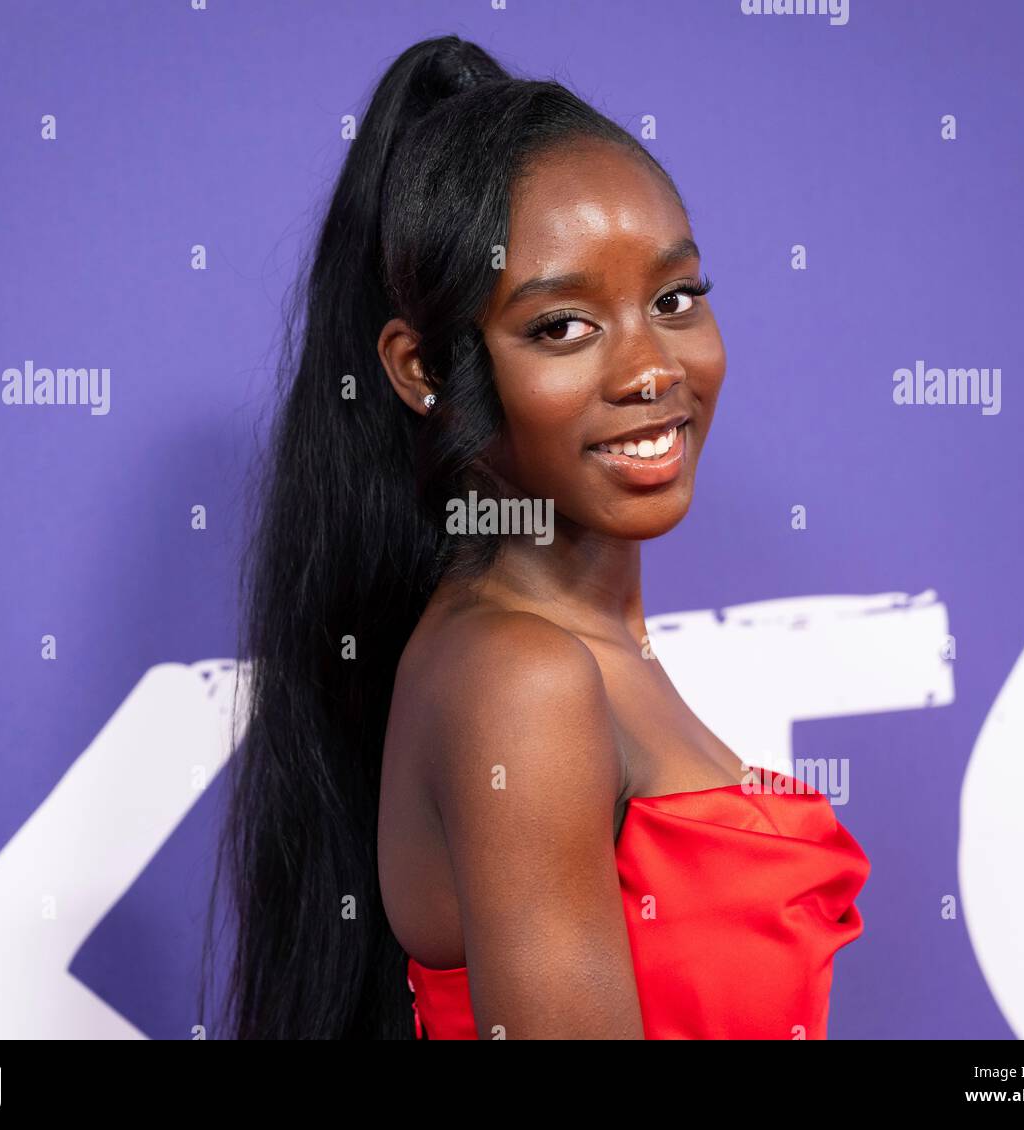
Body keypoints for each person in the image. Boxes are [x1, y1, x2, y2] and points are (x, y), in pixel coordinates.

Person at [212, 33, 869, 1040]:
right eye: (562, 325)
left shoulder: (563, 653)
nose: (651, 367)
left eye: (673, 298)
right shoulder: (524, 678)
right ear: (423, 367)